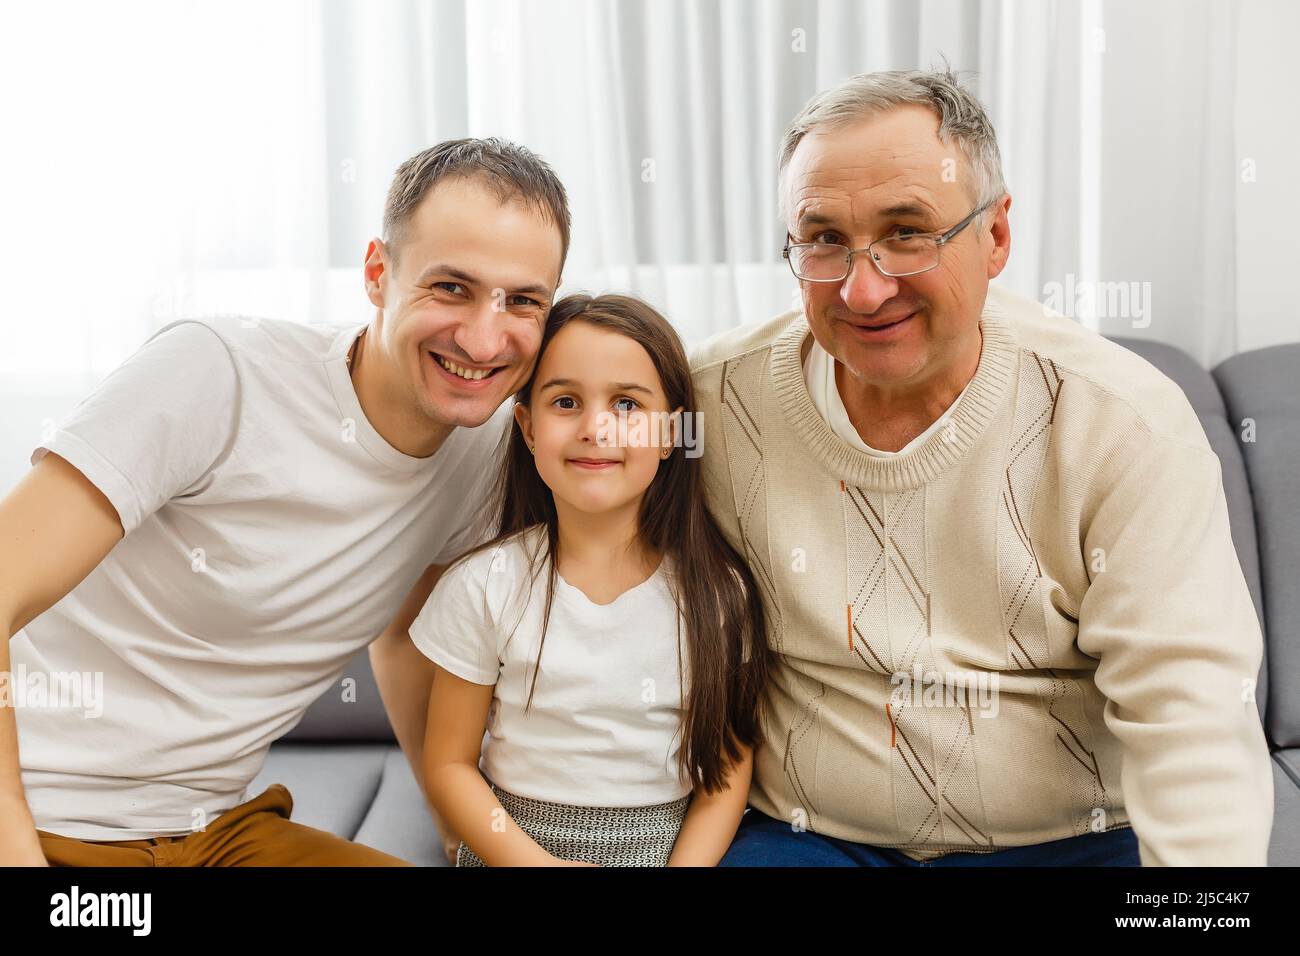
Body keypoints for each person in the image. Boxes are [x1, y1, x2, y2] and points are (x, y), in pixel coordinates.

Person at [689, 68, 1273, 866]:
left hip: (1072, 844)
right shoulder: (711, 400)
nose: (863, 290)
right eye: (823, 239)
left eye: (906, 232)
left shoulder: (1123, 421)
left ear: (996, 235)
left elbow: (1192, 717)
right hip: (812, 839)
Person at [0, 137, 569, 865]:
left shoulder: (485, 450)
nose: (485, 340)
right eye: (451, 287)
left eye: (522, 301)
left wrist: (459, 838)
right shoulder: (217, 373)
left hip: (217, 833)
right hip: (42, 820)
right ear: (378, 274)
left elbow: (403, 635)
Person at [414, 294, 773, 866]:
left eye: (627, 404)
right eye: (565, 401)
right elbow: (448, 765)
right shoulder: (483, 587)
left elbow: (726, 769)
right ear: (528, 428)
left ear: (671, 433)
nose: (595, 427)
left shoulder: (716, 594)